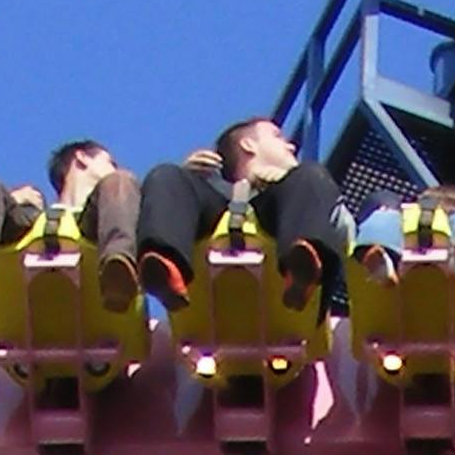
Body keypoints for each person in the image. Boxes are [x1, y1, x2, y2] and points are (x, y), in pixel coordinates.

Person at [135, 117, 350, 314]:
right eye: (277, 136)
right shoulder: (208, 191)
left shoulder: (306, 186)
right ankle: (166, 269)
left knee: (310, 174)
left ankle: (301, 271)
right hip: (217, 223)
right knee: (166, 175)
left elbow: (347, 233)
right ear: (248, 144)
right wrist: (187, 178)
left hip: (281, 242)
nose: (291, 145)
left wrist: (287, 182)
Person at [0, 139, 142, 312]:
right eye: (111, 163)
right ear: (82, 157)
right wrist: (13, 200)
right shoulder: (28, 211)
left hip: (95, 232)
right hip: (28, 231)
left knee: (121, 181)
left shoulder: (120, 210)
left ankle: (117, 271)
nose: (114, 169)